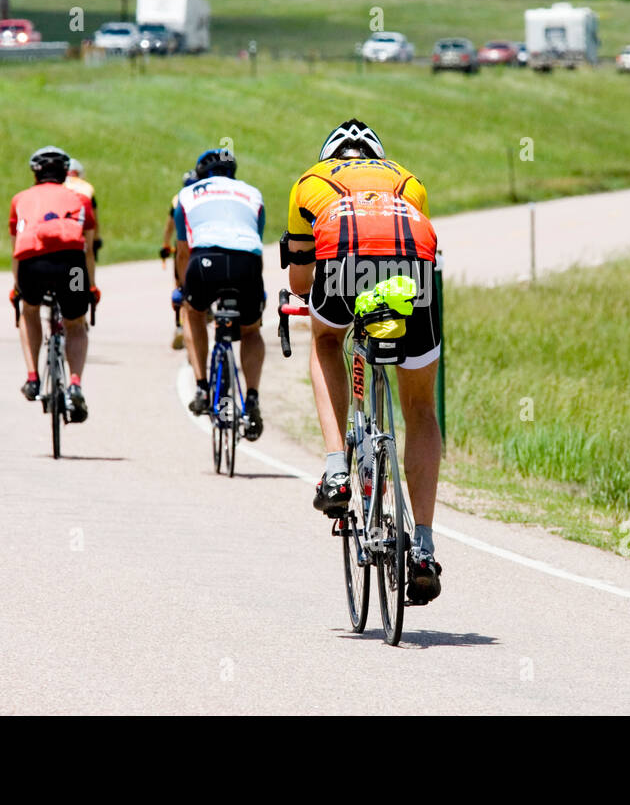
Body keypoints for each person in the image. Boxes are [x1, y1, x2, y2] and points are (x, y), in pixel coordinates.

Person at [283, 119, 444, 603]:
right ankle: (422, 546)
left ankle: (336, 469)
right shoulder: (408, 180)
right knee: (419, 410)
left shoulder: (310, 183)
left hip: (343, 263)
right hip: (413, 270)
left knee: (325, 341)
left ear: (330, 155)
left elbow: (298, 282)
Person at [176, 149, 267, 441]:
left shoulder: (187, 195)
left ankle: (202, 386)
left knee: (192, 312)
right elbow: (256, 239)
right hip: (246, 264)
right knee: (252, 330)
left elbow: (182, 251)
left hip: (205, 260)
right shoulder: (252, 193)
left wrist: (182, 287)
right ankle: (251, 398)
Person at [9, 146, 99, 422]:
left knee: (30, 310)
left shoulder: (20, 199)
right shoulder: (80, 198)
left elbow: (16, 246)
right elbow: (89, 250)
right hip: (70, 265)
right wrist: (91, 286)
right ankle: (74, 386)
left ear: (35, 174)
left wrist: (17, 286)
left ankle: (33, 377)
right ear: (64, 174)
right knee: (75, 323)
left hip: (31, 264)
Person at [161, 169, 198, 350]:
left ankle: (179, 325)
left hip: (182, 247)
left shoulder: (178, 199)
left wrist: (165, 245)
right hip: (202, 244)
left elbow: (170, 226)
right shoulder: (203, 194)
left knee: (180, 287)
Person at [64, 158, 102, 260]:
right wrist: (96, 239)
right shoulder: (86, 187)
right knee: (88, 254)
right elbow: (94, 219)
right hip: (82, 226)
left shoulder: (58, 185)